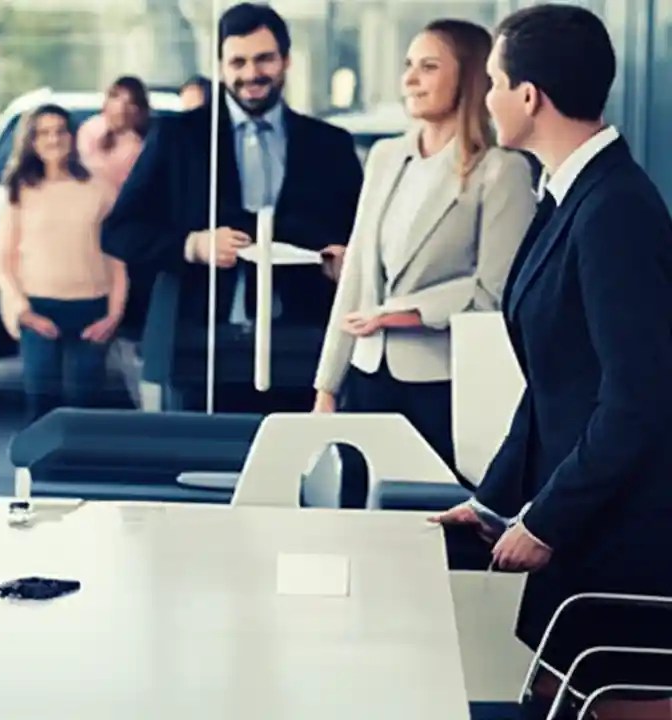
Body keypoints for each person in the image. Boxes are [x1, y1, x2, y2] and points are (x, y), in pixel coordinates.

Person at [431, 5, 672, 718]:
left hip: (620, 533)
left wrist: (546, 522)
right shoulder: (569, 198)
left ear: (529, 96)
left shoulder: (615, 210)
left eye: (495, 82)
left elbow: (637, 398)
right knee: (550, 697)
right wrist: (490, 508)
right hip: (580, 526)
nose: (488, 99)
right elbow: (551, 388)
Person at [312, 19, 536, 508]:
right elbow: (355, 280)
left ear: (470, 76)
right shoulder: (386, 158)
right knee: (353, 518)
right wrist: (327, 387)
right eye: (408, 65)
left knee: (425, 521)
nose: (411, 78)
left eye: (429, 66)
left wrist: (398, 314)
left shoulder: (502, 171)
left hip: (441, 388)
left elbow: (494, 292)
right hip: (366, 378)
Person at [101, 2, 363, 413]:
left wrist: (340, 259)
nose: (251, 73)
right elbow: (120, 231)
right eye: (237, 61)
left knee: (290, 468)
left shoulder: (329, 144)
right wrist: (193, 245)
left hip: (302, 344)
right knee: (195, 469)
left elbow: (357, 236)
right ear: (221, 66)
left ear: (286, 61)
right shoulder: (178, 137)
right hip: (199, 345)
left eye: (264, 59)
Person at [0, 105, 126, 423]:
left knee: (85, 406)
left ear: (72, 135)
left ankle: (79, 472)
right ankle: (37, 473)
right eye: (44, 133)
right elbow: (2, 259)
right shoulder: (20, 190)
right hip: (38, 310)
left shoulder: (99, 188)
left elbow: (116, 255)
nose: (54, 139)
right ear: (31, 141)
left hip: (90, 311)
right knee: (42, 405)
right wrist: (23, 310)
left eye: (60, 130)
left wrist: (114, 313)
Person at [76, 76, 152, 193]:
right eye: (115, 98)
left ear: (140, 111)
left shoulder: (145, 143)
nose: (122, 108)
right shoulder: (90, 129)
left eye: (130, 103)